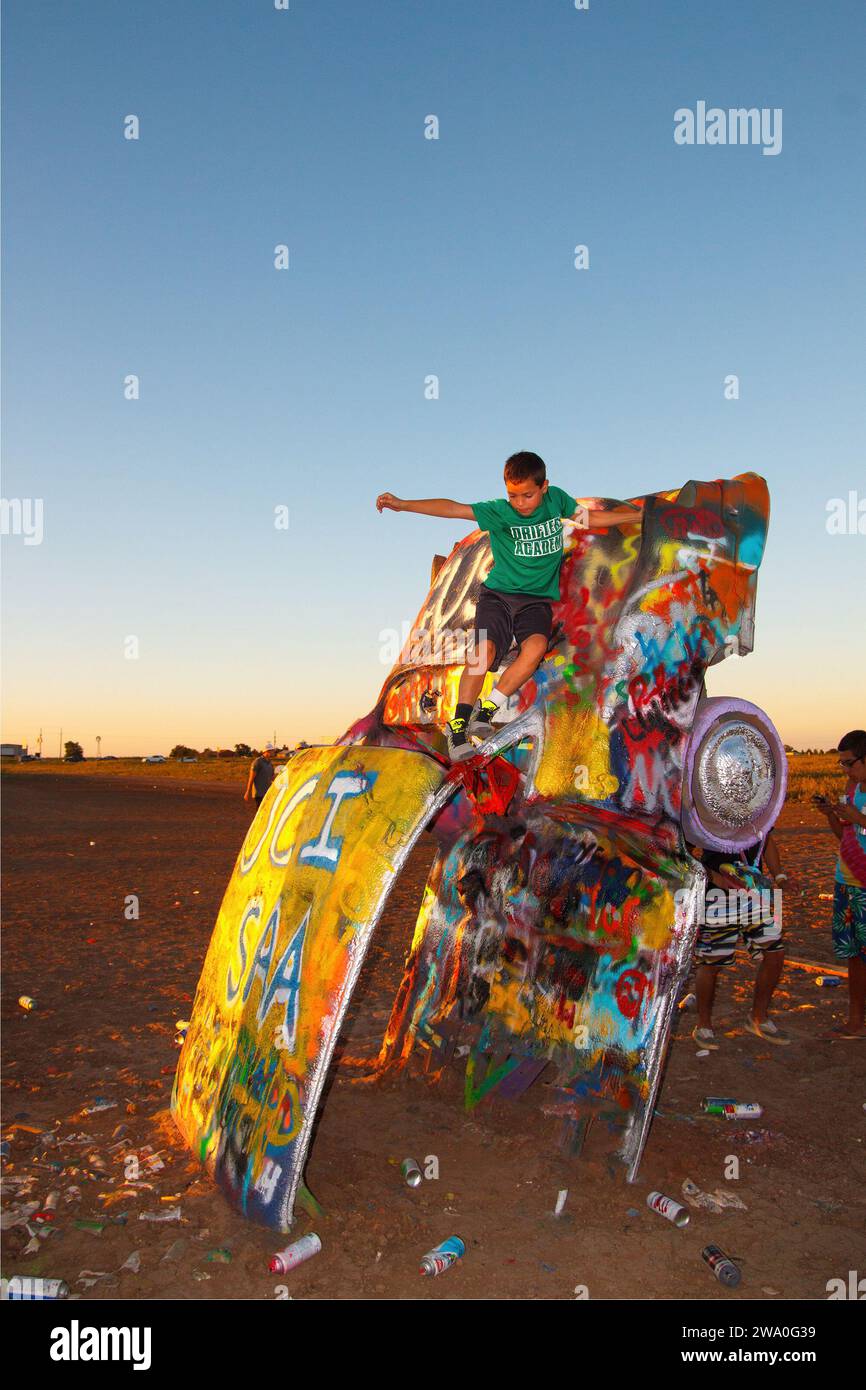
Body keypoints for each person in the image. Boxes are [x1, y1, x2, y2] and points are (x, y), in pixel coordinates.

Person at [376, 451, 641, 761]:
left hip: (536, 601)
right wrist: (404, 504)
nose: (519, 503)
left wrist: (637, 516)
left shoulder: (557, 502)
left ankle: (486, 711)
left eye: (527, 495)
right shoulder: (500, 512)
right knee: (484, 652)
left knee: (535, 649)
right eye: (512, 495)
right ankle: (459, 724)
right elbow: (453, 509)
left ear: (544, 487)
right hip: (498, 596)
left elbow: (590, 518)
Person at [689, 830, 791, 1048]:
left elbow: (768, 840)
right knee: (711, 962)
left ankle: (758, 1018)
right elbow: (682, 852)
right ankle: (703, 1025)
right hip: (716, 895)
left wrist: (780, 877)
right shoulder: (707, 806)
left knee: (775, 952)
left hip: (752, 894)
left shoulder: (758, 804)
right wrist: (711, 875)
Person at [813, 729, 866, 1040]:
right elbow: (843, 834)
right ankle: (855, 1018)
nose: (846, 770)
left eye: (850, 763)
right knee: (854, 954)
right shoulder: (851, 789)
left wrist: (858, 818)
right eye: (842, 764)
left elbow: (859, 823)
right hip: (847, 880)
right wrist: (832, 815)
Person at [244, 744, 276, 812]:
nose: (273, 752)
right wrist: (248, 791)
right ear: (267, 751)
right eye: (272, 751)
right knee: (260, 811)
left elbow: (272, 778)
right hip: (259, 793)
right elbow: (251, 778)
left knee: (267, 811)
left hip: (267, 792)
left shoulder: (270, 763)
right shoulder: (257, 762)